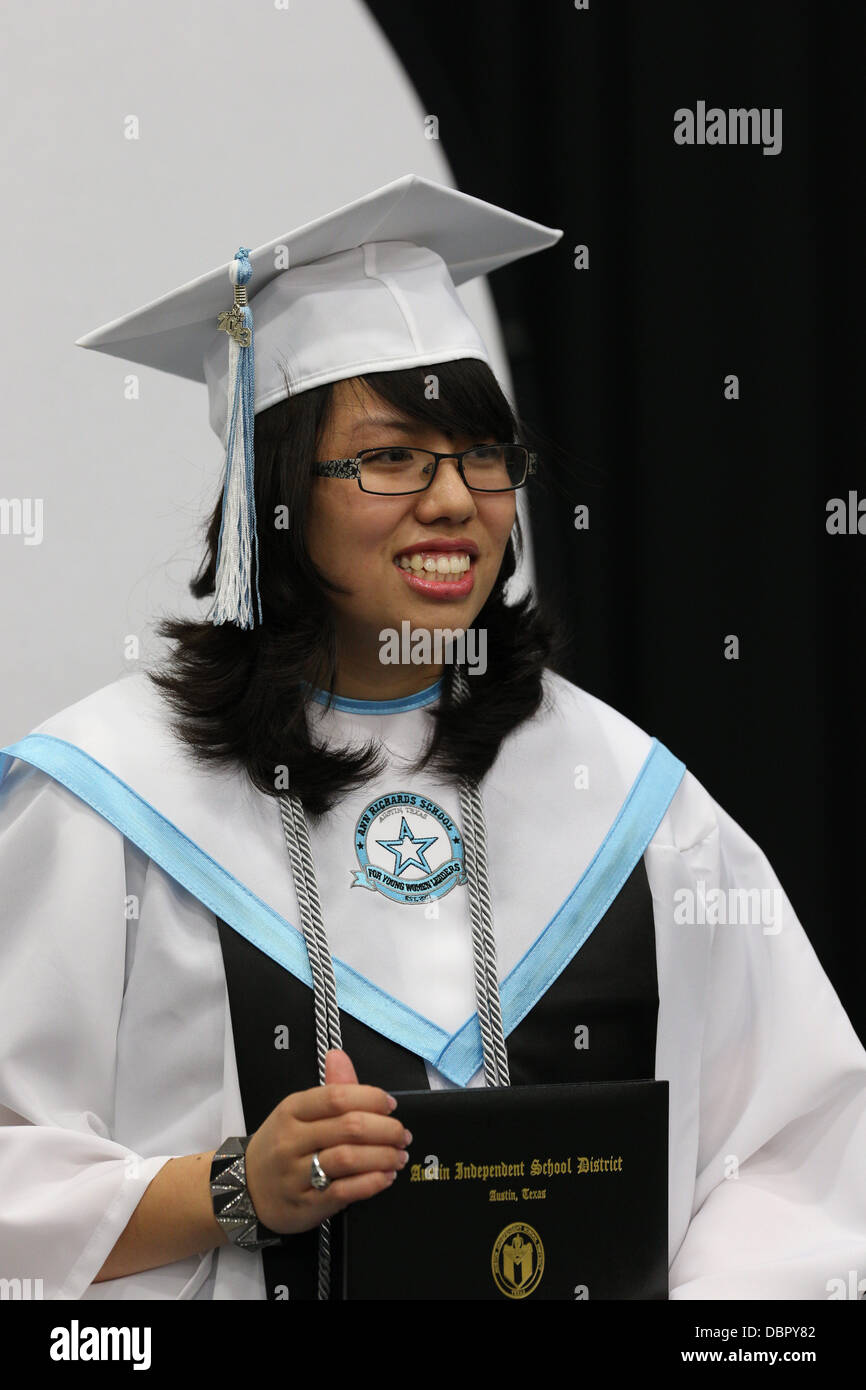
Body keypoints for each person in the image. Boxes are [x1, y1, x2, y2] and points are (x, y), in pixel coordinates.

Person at [1, 175, 864, 1302]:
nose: (454, 500)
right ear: (274, 496)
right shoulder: (108, 797)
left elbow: (794, 1160)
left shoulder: (625, 796)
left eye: (482, 456)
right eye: (391, 458)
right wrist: (229, 1187)